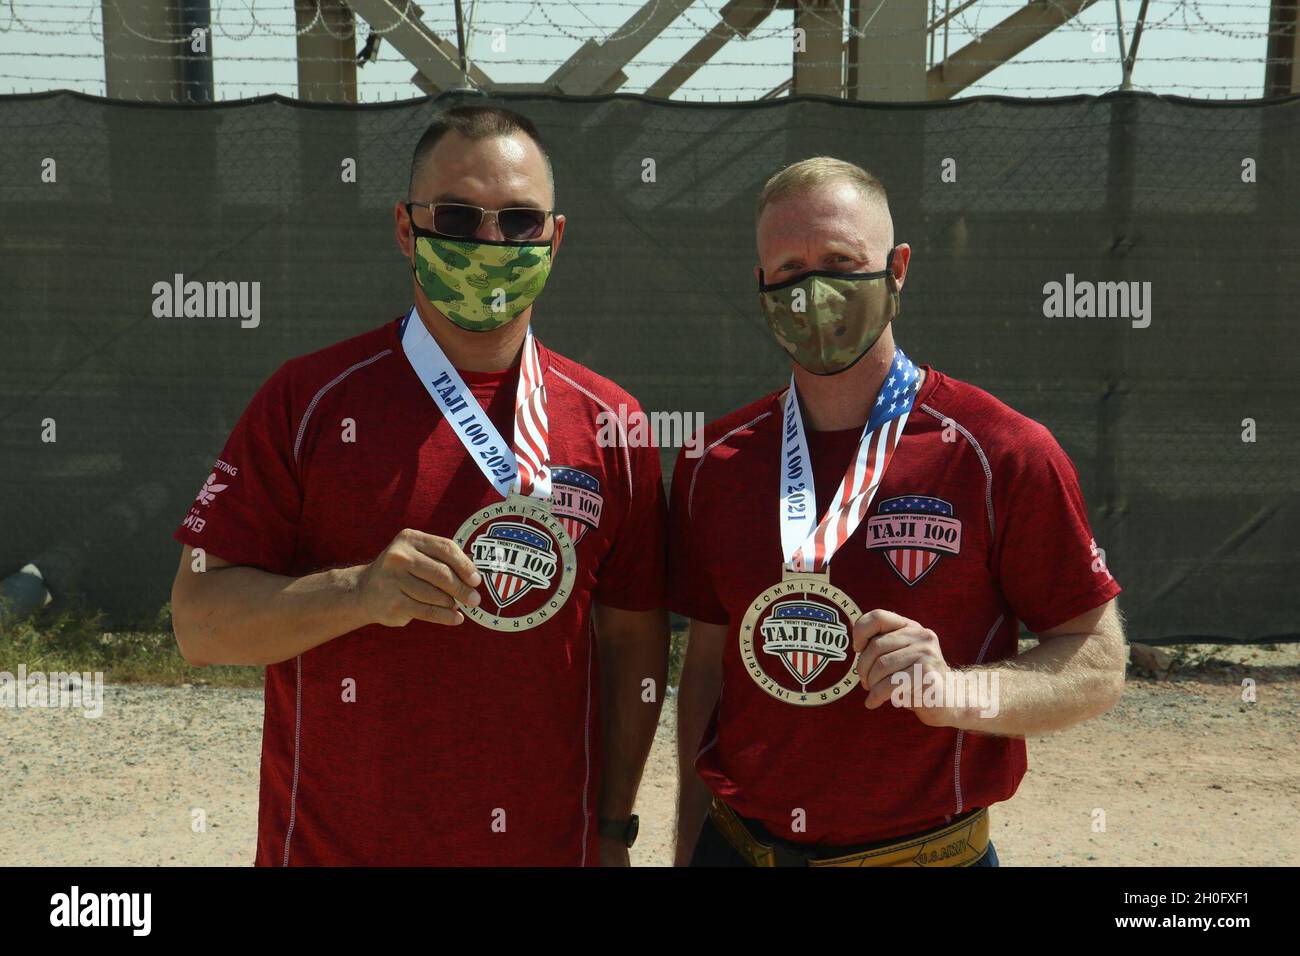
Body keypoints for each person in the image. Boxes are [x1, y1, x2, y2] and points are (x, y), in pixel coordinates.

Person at [170, 106, 668, 866]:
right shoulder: (310, 401)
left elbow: (633, 642)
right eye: (459, 217)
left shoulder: (611, 422)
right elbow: (198, 623)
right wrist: (358, 593)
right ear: (406, 229)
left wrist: (612, 830)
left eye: (519, 221)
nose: (490, 243)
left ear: (555, 238)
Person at [670, 157, 1126, 867]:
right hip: (736, 850)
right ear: (761, 288)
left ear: (898, 267)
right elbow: (706, 666)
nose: (813, 290)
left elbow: (1097, 664)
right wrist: (686, 845)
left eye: (841, 261)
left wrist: (957, 692)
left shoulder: (999, 451)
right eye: (788, 270)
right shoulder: (713, 463)